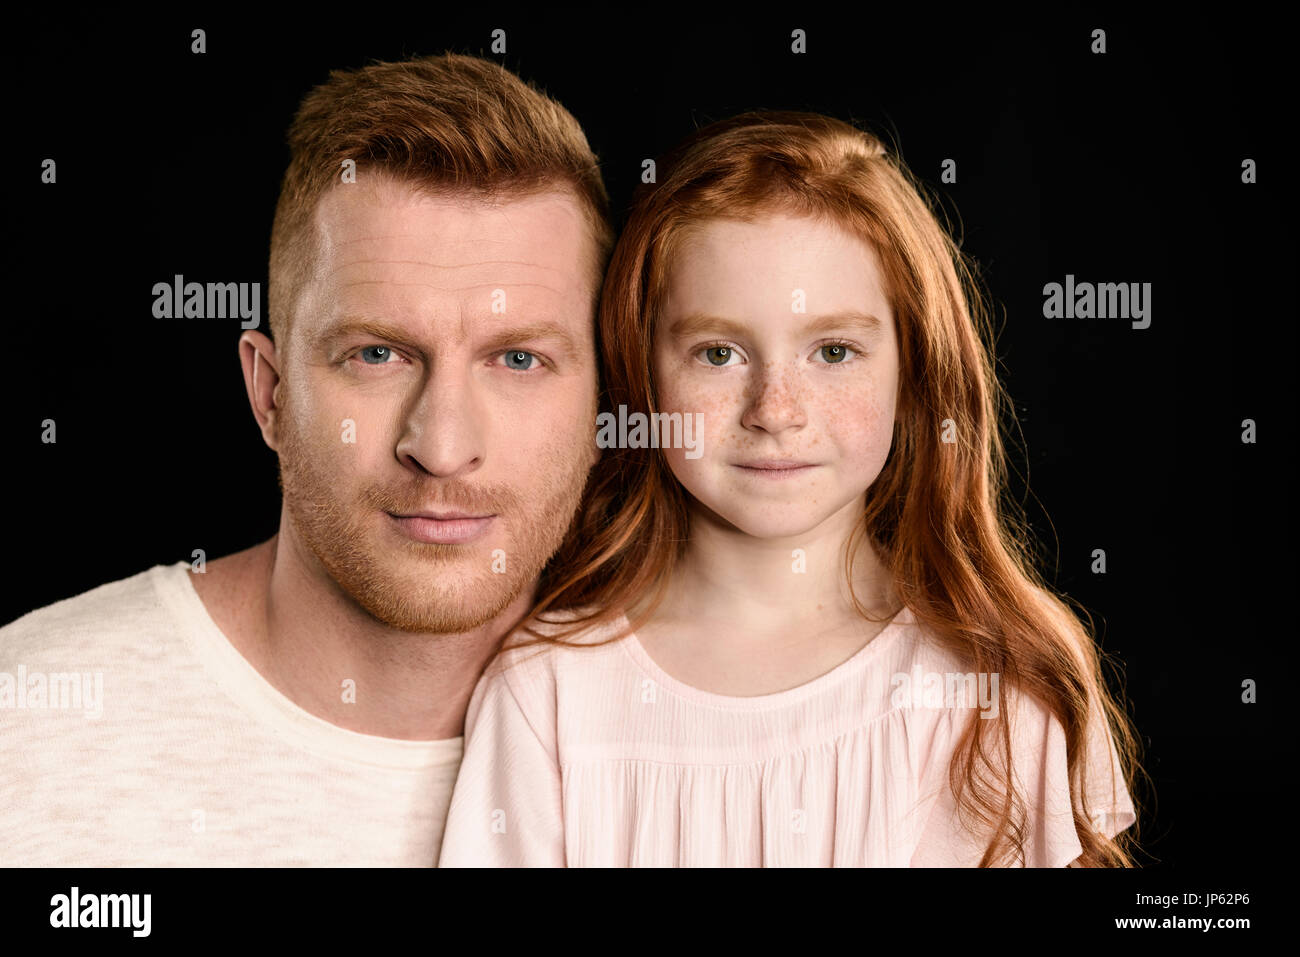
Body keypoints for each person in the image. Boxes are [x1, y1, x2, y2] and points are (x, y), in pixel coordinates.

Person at [438, 110, 1141, 867]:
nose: (775, 410)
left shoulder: (1000, 677)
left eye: (833, 351)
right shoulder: (549, 692)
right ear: (641, 369)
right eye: (718, 353)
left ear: (914, 371)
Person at [0, 53, 613, 866]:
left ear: (604, 404)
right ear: (270, 393)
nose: (441, 446)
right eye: (376, 354)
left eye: (519, 360)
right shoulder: (28, 722)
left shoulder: (699, 755)